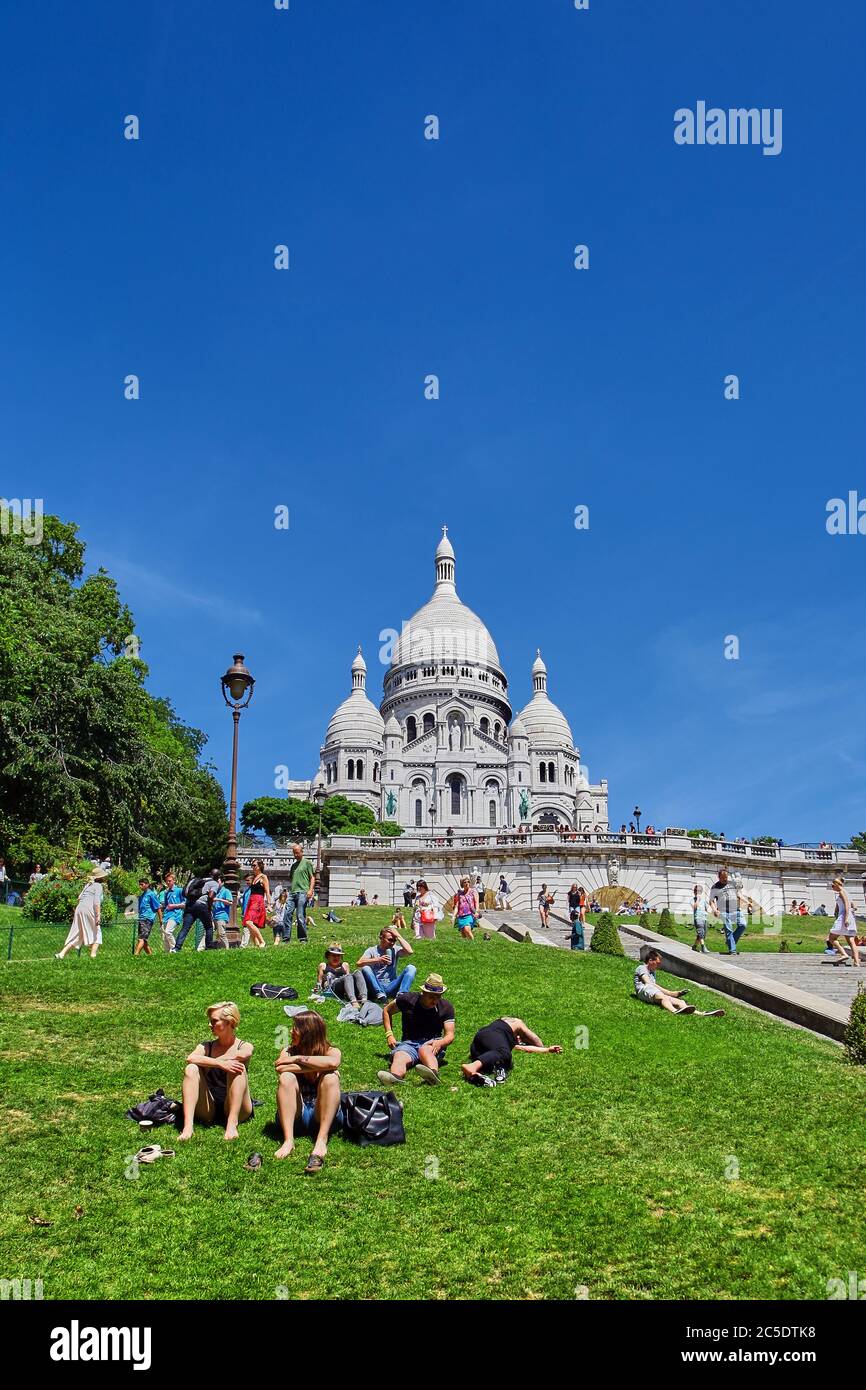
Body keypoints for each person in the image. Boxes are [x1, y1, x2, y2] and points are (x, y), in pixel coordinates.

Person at [274, 1011, 343, 1171]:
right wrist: (318, 1065)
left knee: (331, 1077)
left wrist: (297, 1059)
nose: (291, 1031)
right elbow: (280, 1066)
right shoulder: (288, 1050)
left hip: (324, 1114)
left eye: (295, 1028)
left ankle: (321, 1139)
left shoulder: (331, 1051)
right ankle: (288, 1140)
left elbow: (333, 1062)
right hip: (297, 1114)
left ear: (308, 1031)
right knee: (286, 1078)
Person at [179, 1002, 253, 1142]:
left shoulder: (244, 1046)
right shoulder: (206, 1046)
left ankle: (232, 1125)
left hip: (238, 1107)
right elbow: (191, 1058)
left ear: (230, 1022)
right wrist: (220, 1063)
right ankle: (188, 1127)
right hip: (209, 1106)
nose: (209, 1025)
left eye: (214, 1021)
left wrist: (209, 1061)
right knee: (191, 1068)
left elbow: (243, 1055)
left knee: (236, 1067)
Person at [378, 973, 455, 1086]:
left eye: (438, 996)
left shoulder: (446, 1007)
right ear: (423, 993)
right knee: (399, 1055)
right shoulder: (407, 1000)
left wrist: (441, 1042)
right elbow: (387, 1010)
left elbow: (450, 1034)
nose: (435, 1000)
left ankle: (433, 1074)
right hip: (409, 1043)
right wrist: (389, 1034)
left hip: (432, 1041)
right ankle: (395, 1077)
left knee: (425, 1050)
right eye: (431, 997)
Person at [461, 1018, 563, 1087]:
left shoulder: (505, 1039)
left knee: (500, 1059)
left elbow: (525, 1049)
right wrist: (540, 1045)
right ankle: (472, 1067)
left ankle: (477, 1074)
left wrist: (548, 1050)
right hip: (491, 1034)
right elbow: (536, 1040)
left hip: (478, 1047)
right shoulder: (516, 1023)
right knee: (505, 1054)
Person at [635, 952, 725, 1016]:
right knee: (665, 997)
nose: (658, 966)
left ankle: (702, 1013)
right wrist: (671, 993)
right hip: (643, 991)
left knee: (680, 1002)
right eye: (657, 963)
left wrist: (677, 994)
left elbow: (654, 988)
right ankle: (674, 1011)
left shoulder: (652, 972)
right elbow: (648, 983)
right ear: (650, 960)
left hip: (652, 992)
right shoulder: (642, 968)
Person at [55, 866, 110, 959]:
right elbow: (96, 902)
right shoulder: (98, 886)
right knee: (97, 932)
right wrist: (98, 916)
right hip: (89, 909)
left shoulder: (88, 885)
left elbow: (79, 897)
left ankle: (61, 954)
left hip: (79, 908)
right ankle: (93, 956)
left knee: (78, 932)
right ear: (101, 877)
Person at [358, 925, 417, 1001]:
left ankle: (402, 995)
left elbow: (410, 951)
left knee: (411, 968)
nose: (392, 943)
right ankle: (380, 995)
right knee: (366, 968)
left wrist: (398, 936)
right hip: (376, 984)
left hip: (392, 984)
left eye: (394, 940)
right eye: (390, 940)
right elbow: (359, 963)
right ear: (381, 938)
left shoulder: (395, 949)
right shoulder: (372, 950)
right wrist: (377, 959)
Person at [174, 871, 219, 952]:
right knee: (208, 927)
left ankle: (176, 948)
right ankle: (209, 948)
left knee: (185, 928)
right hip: (201, 905)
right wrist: (209, 908)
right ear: (217, 877)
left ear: (210, 874)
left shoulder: (201, 880)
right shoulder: (214, 883)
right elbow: (211, 896)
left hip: (189, 904)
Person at [314, 942, 368, 1008]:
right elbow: (319, 983)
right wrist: (318, 989)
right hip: (333, 987)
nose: (336, 958)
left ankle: (364, 999)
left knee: (358, 972)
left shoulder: (345, 965)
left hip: (345, 988)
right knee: (347, 976)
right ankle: (353, 1001)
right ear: (328, 956)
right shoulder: (323, 966)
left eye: (338, 956)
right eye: (333, 955)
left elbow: (350, 980)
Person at [708, 867, 744, 955]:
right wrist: (714, 910)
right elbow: (711, 901)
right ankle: (732, 949)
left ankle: (730, 942)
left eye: (726, 878)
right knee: (729, 929)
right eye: (723, 878)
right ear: (719, 877)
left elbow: (738, 894)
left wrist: (746, 901)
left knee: (743, 925)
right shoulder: (715, 887)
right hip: (723, 911)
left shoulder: (732, 884)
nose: (725, 879)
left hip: (735, 909)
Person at [286, 843, 315, 943]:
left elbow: (312, 877)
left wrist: (310, 890)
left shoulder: (307, 863)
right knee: (287, 914)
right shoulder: (293, 866)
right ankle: (286, 939)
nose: (295, 855)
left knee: (300, 915)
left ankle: (303, 938)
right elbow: (292, 879)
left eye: (297, 853)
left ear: (302, 852)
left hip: (303, 892)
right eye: (294, 853)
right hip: (292, 893)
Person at [829, 878, 861, 968]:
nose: (832, 888)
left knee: (831, 938)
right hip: (850, 917)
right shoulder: (847, 892)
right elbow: (854, 906)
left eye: (832, 886)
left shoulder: (841, 892)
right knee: (851, 941)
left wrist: (846, 917)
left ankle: (844, 954)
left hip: (844, 917)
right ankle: (856, 962)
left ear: (837, 884)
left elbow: (847, 904)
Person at [242, 859, 269, 949]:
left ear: (259, 866)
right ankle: (257, 945)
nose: (253, 867)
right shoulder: (254, 877)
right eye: (252, 865)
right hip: (251, 901)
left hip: (258, 901)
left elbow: (267, 891)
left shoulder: (263, 877)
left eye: (254, 865)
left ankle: (262, 942)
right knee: (248, 924)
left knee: (249, 922)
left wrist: (269, 904)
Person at [134, 878, 162, 957]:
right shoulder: (142, 895)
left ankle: (135, 956)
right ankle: (151, 956)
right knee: (144, 940)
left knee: (141, 939)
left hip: (147, 919)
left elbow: (158, 907)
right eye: (139, 884)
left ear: (147, 885)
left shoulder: (151, 894)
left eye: (142, 884)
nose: (140, 886)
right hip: (141, 919)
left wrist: (160, 919)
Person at [159, 872, 184, 952]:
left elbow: (185, 904)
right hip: (167, 915)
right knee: (165, 937)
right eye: (167, 881)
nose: (168, 883)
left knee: (168, 932)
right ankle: (167, 953)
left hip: (175, 915)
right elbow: (166, 905)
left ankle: (175, 949)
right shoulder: (166, 892)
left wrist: (174, 906)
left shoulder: (180, 890)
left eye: (170, 881)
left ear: (174, 881)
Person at [211, 874, 232, 946]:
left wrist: (219, 899)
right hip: (214, 916)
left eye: (218, 881)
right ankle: (204, 947)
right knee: (208, 930)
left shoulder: (226, 891)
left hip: (222, 916)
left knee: (221, 934)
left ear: (222, 883)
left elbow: (230, 902)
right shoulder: (215, 892)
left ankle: (227, 949)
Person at [692, 883, 709, 954]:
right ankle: (703, 947)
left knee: (702, 934)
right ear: (695, 892)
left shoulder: (704, 900)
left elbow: (706, 908)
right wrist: (697, 899)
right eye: (697, 891)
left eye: (700, 891)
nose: (698, 892)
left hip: (704, 918)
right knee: (701, 932)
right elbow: (694, 907)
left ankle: (694, 946)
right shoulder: (692, 899)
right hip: (698, 918)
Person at [567, 883, 586, 950]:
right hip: (576, 946)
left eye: (570, 916)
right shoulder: (576, 923)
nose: (570, 917)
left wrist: (569, 936)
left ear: (572, 917)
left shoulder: (577, 923)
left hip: (577, 946)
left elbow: (578, 933)